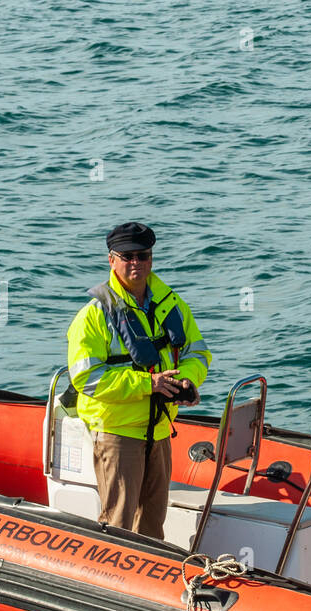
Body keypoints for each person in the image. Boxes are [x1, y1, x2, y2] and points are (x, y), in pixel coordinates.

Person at [66, 222, 211, 538]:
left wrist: (184, 382)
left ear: (151, 259)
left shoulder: (172, 304)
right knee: (117, 523)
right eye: (127, 256)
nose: (136, 263)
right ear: (111, 260)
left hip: (158, 430)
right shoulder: (92, 316)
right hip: (117, 433)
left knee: (152, 525)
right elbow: (87, 379)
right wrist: (150, 384)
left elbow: (197, 354)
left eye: (142, 255)